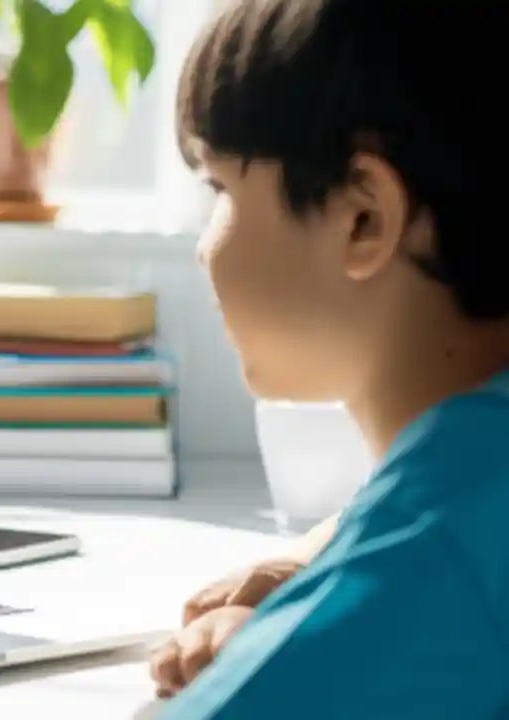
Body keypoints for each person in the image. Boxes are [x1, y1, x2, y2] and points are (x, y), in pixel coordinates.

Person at [149, 0, 509, 715]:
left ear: (364, 217)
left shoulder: (421, 570)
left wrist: (308, 637)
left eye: (219, 188)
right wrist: (319, 568)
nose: (203, 245)